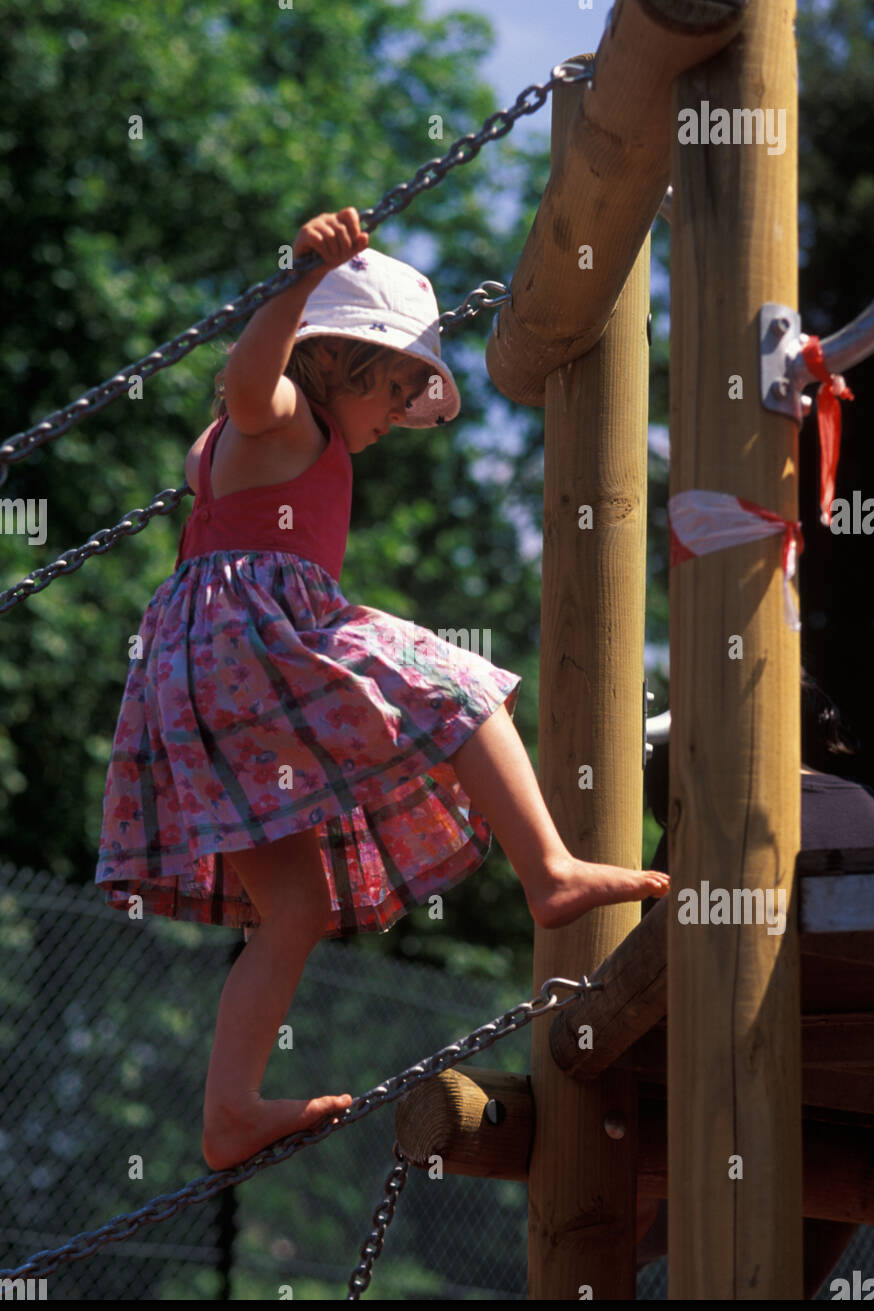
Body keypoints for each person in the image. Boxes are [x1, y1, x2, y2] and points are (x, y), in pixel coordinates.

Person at [95, 207, 669, 1172]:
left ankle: (228, 1111)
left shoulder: (265, 440)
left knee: (296, 910)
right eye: (395, 388)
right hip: (257, 642)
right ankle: (550, 872)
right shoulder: (281, 417)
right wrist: (302, 277)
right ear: (341, 360)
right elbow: (247, 383)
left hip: (204, 676)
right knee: (455, 687)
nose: (398, 414)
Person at [636, 668, 874, 1294]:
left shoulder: (709, 818)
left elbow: (645, 970)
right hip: (850, 1099)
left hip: (716, 1079)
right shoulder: (862, 807)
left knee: (599, 1215)